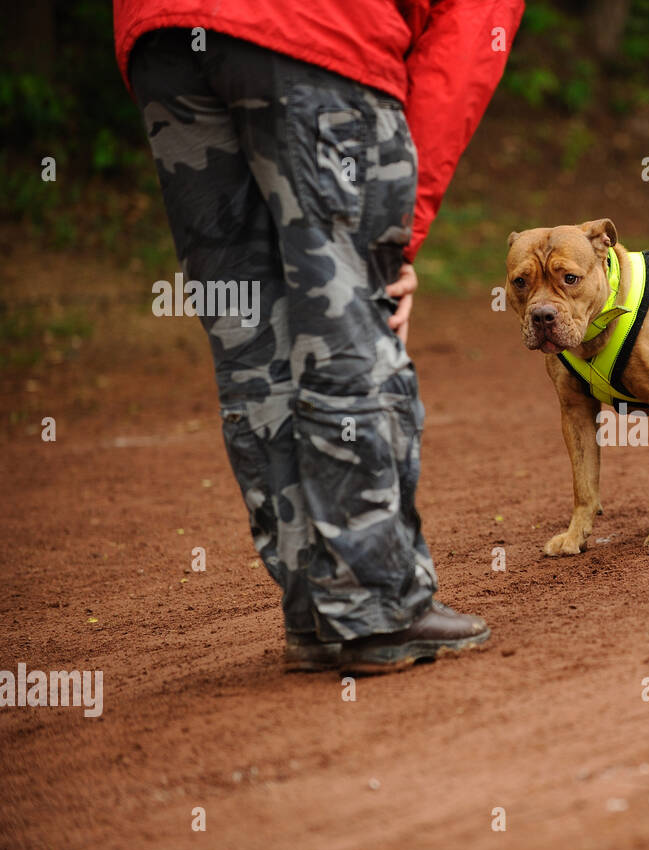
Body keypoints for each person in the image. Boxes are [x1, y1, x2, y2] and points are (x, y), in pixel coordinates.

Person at [112, 0, 524, 673]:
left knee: (251, 338)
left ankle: (315, 611)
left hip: (159, 36)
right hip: (317, 35)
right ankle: (372, 608)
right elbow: (461, 55)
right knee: (346, 324)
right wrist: (400, 240)